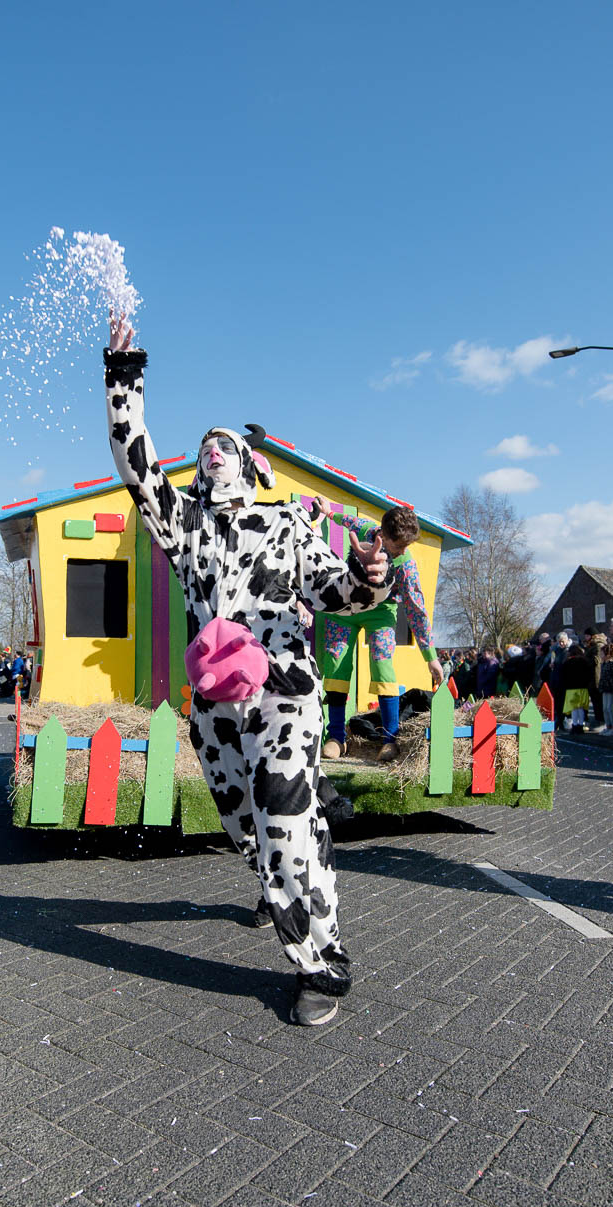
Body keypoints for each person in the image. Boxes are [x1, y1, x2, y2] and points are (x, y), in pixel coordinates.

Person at [104, 317, 389, 1028]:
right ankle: (274, 876)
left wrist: (368, 574)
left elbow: (339, 595)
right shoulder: (183, 525)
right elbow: (135, 467)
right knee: (245, 826)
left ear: (250, 464)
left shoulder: (286, 523)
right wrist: (124, 375)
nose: (213, 450)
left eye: (226, 444)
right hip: (214, 706)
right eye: (205, 446)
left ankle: (321, 963)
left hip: (284, 694)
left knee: (285, 822)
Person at [315, 504, 443, 762]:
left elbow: (416, 610)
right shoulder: (368, 531)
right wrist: (329, 513)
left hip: (381, 612)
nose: (404, 550)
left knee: (382, 664)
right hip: (346, 607)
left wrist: (430, 657)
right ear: (383, 534)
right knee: (336, 662)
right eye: (399, 545)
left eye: (407, 545)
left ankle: (389, 739)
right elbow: (349, 521)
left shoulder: (406, 565)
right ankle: (336, 737)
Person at [558, 641, 593, 732]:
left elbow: (563, 676)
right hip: (583, 688)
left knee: (574, 709)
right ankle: (580, 725)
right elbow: (589, 675)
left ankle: (574, 725)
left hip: (571, 689)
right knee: (581, 708)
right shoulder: (585, 661)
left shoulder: (567, 662)